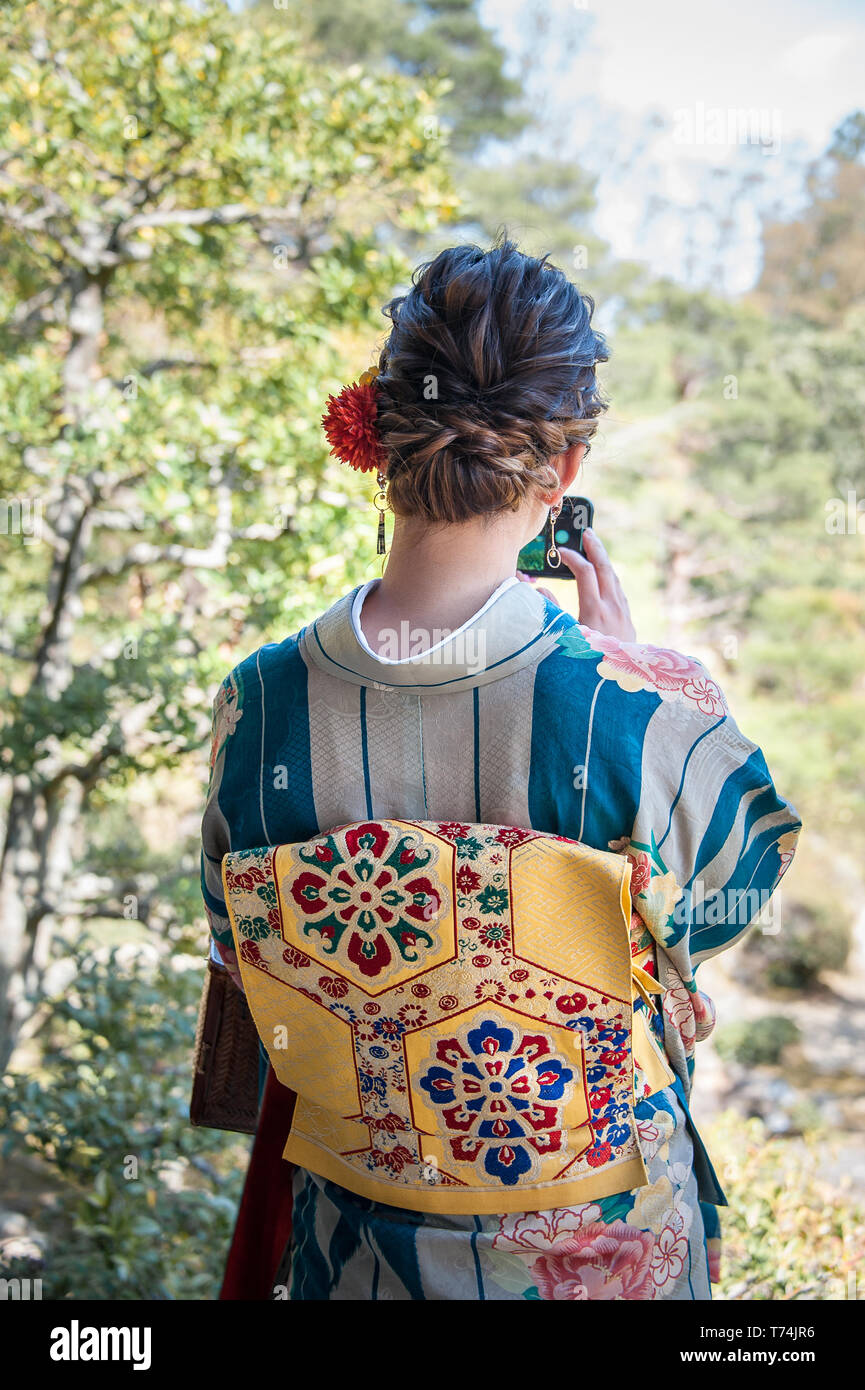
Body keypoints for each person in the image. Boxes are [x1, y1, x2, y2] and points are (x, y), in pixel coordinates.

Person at [200, 236, 801, 1301]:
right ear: (565, 467)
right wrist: (628, 662)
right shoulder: (636, 703)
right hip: (601, 1260)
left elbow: (239, 952)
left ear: (374, 437)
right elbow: (717, 906)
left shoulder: (258, 707)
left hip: (356, 1254)